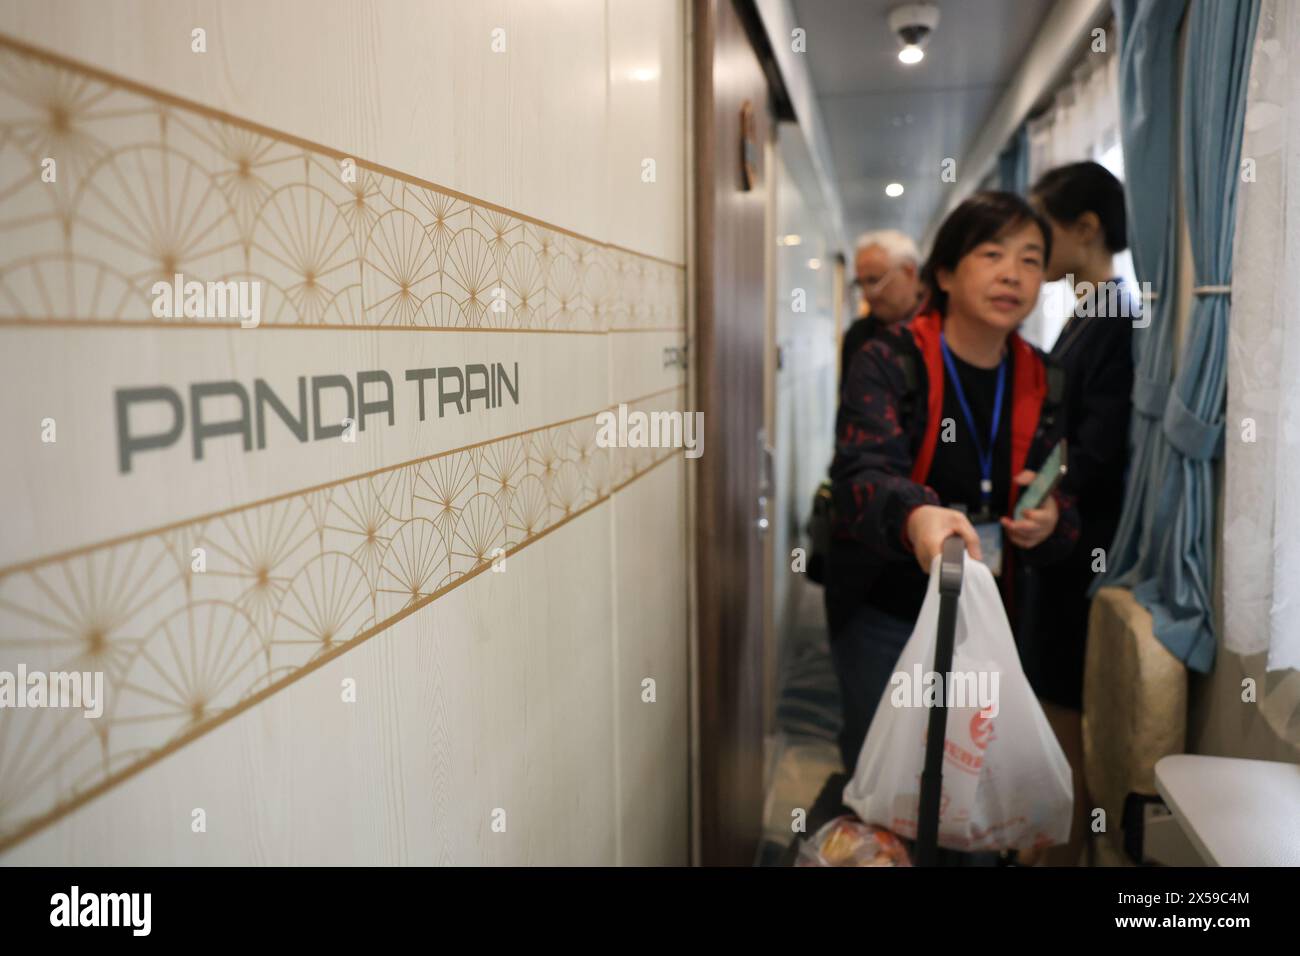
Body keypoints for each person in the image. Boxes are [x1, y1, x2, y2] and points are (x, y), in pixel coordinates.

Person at [826, 191, 1079, 783]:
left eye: (1031, 259)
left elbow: (1064, 503)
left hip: (989, 615)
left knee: (974, 785)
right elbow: (860, 477)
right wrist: (918, 516)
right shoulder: (890, 360)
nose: (1012, 274)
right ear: (944, 272)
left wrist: (1051, 524)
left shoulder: (1046, 377)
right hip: (887, 605)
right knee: (886, 780)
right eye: (992, 254)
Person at [1019, 161, 1136, 866]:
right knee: (1052, 698)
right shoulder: (1087, 314)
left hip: (1081, 541)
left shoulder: (1114, 318)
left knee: (1064, 705)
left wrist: (1039, 491)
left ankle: (1062, 853)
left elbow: (1091, 449)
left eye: (1043, 231)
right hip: (1060, 536)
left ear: (1086, 230)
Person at [840, 230, 925, 383]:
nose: (867, 295)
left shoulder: (945, 331)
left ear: (909, 272)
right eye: (861, 283)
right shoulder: (857, 337)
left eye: (874, 281)